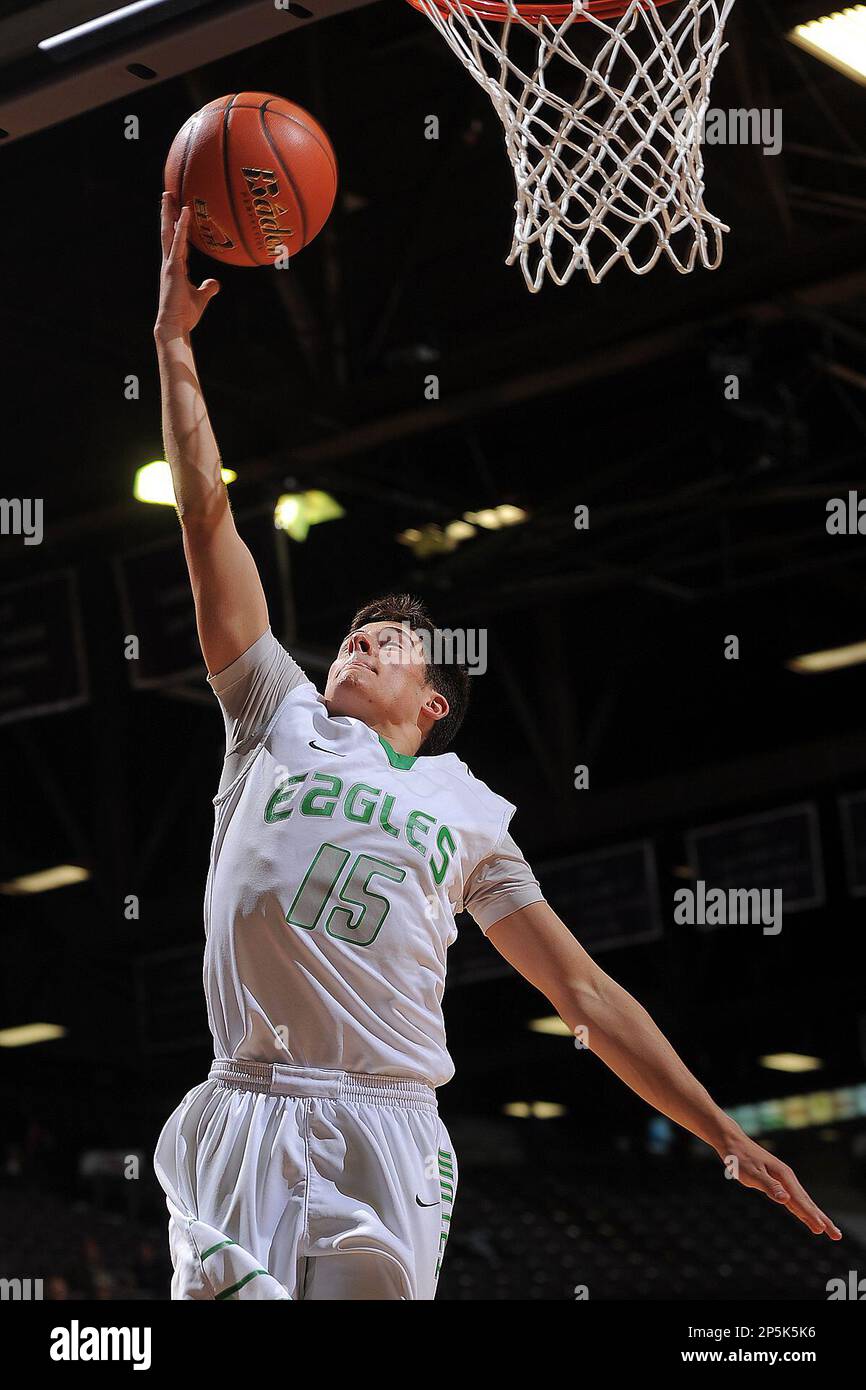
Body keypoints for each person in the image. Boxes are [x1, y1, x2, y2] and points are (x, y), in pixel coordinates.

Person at [152, 193, 842, 1301]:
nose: (361, 639)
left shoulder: (468, 811)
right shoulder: (269, 715)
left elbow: (580, 990)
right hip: (249, 1100)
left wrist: (722, 1131)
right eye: (354, 630)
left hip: (388, 1119)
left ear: (433, 706)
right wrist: (174, 348)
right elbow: (206, 524)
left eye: (390, 641)